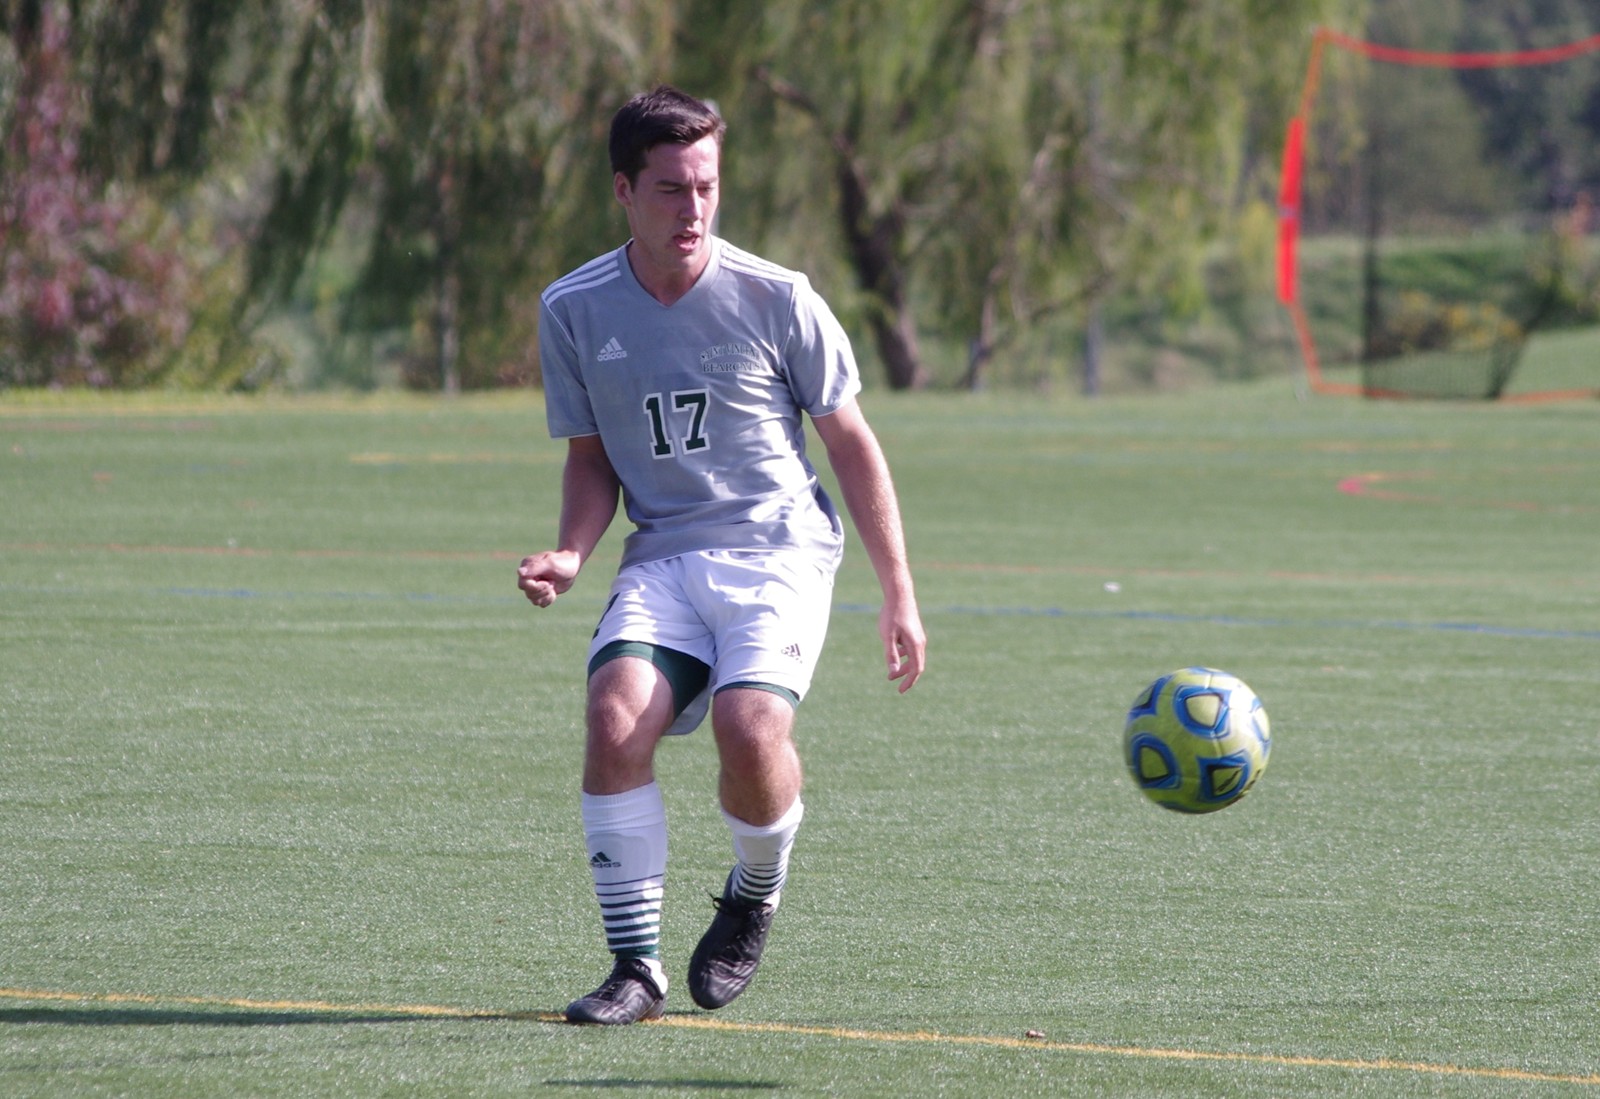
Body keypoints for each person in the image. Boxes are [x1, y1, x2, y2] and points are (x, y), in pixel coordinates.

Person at [518, 84, 926, 1026]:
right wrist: (575, 553)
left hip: (777, 546)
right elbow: (591, 459)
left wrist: (898, 591)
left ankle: (755, 887)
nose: (693, 208)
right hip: (661, 554)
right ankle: (635, 969)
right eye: (669, 189)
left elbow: (852, 442)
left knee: (750, 729)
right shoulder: (573, 308)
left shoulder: (778, 297)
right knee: (614, 719)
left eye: (706, 184)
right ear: (623, 191)